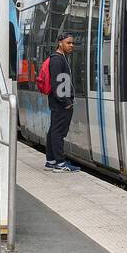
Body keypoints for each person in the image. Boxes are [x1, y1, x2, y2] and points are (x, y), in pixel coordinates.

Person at [46, 33, 79, 172]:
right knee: (59, 132)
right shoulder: (57, 60)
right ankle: (60, 164)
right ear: (60, 43)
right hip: (61, 103)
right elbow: (58, 83)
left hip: (59, 102)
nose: (71, 45)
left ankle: (51, 161)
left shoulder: (61, 58)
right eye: (68, 42)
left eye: (72, 43)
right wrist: (66, 102)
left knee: (54, 131)